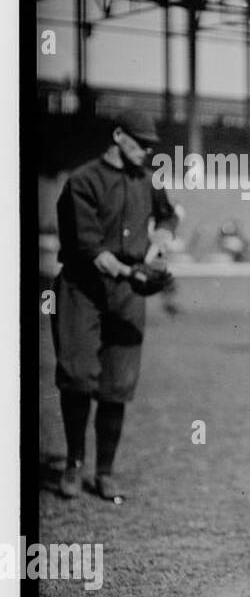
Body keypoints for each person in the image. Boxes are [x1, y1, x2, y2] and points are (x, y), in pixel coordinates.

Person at [52, 110, 178, 503]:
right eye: (140, 143)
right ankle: (74, 463)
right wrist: (132, 274)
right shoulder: (83, 181)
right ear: (118, 135)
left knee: (118, 383)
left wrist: (162, 238)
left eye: (151, 146)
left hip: (126, 291)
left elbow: (168, 217)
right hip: (83, 288)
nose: (147, 151)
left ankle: (104, 472)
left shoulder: (147, 178)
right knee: (77, 375)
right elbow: (91, 250)